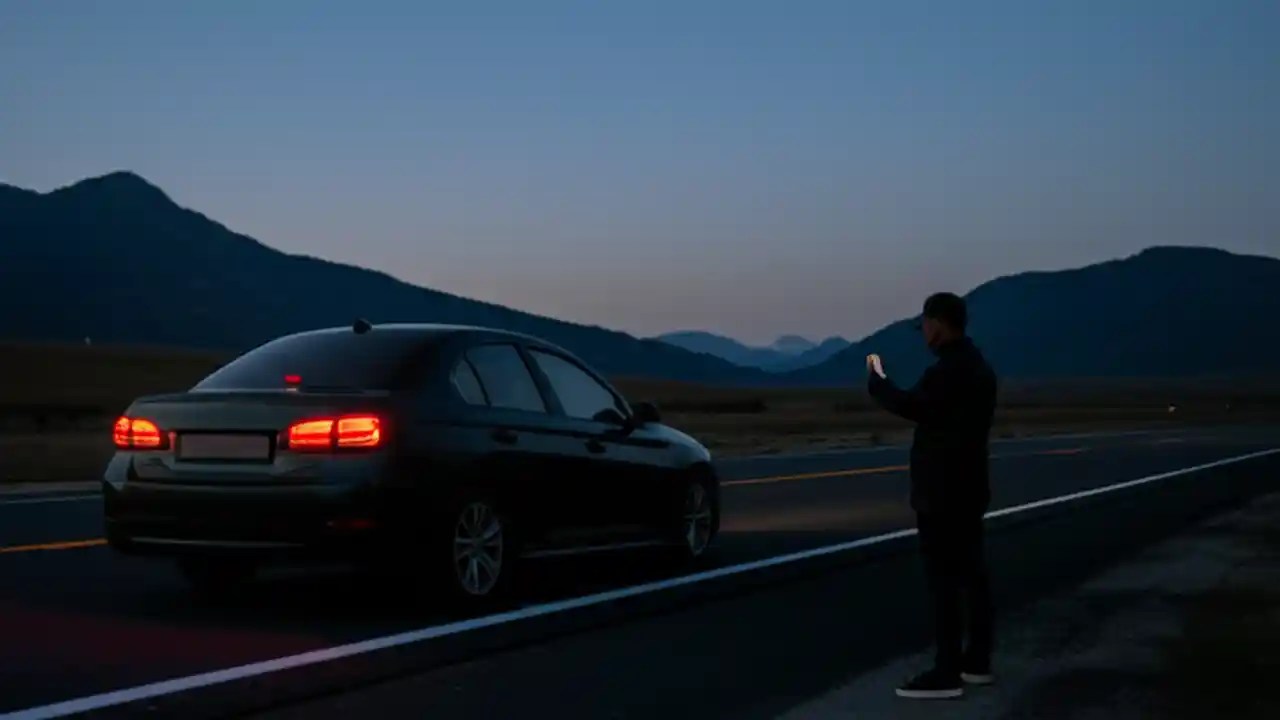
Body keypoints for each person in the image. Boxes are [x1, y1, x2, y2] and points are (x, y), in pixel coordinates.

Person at [866, 292, 998, 700]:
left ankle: (946, 671)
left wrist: (878, 384)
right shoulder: (980, 368)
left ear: (938, 323)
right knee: (972, 574)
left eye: (924, 324)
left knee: (943, 581)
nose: (923, 332)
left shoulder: (948, 373)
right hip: (970, 486)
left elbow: (914, 406)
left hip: (942, 491)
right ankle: (976, 661)